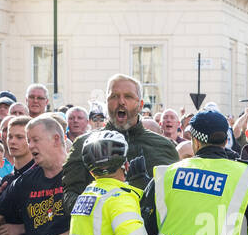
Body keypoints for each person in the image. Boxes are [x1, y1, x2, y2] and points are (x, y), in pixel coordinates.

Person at [61, 74, 178, 210]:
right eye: (114, 96)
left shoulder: (163, 146)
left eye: (128, 96)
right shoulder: (84, 144)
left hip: (147, 230)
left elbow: (174, 198)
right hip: (99, 229)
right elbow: (69, 193)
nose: (121, 101)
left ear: (140, 105)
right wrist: (100, 211)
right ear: (107, 102)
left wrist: (146, 195)